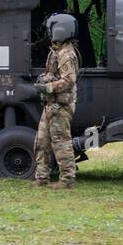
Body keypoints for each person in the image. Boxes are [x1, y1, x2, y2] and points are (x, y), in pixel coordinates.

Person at [32, 12, 80, 189]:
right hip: (51, 105)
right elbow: (54, 74)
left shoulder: (67, 54)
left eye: (52, 29)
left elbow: (69, 81)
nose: (50, 33)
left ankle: (67, 181)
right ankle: (42, 178)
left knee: (61, 143)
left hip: (60, 106)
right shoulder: (57, 51)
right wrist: (45, 79)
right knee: (41, 142)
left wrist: (48, 87)